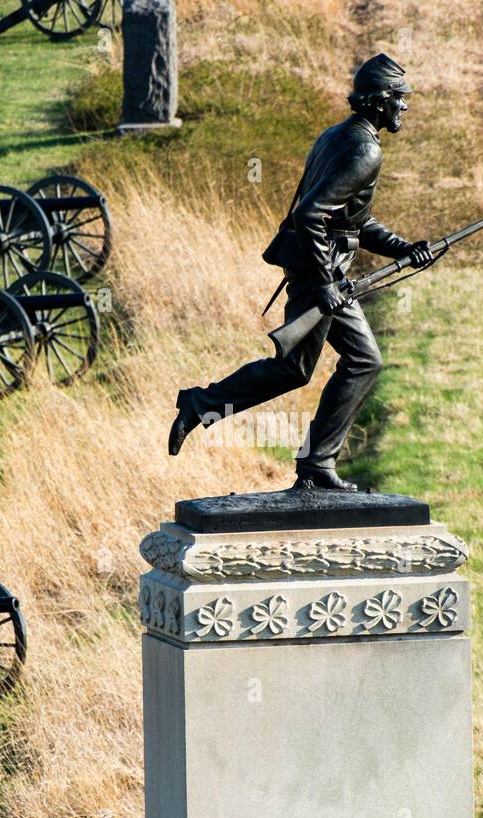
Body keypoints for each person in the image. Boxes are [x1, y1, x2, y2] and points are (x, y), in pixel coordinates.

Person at [167, 53, 433, 491]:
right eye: (401, 98)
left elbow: (353, 221)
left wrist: (406, 249)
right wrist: (327, 283)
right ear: (381, 100)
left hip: (317, 266)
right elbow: (311, 214)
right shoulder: (365, 150)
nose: (405, 107)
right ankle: (309, 461)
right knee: (360, 362)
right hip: (320, 271)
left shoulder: (337, 136)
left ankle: (211, 410)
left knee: (299, 369)